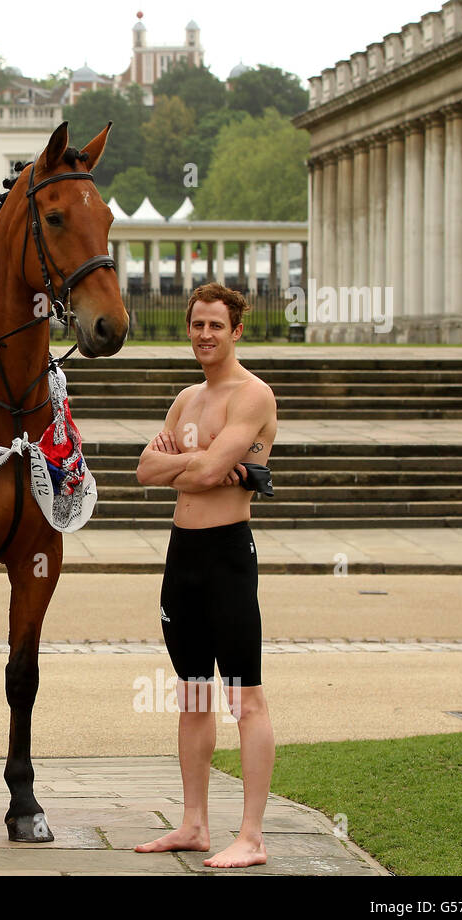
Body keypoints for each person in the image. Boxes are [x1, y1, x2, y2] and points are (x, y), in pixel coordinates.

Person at [132, 283, 278, 869]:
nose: (205, 335)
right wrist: (202, 466)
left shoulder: (253, 395)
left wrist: (202, 465)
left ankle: (252, 836)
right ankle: (193, 824)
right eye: (197, 325)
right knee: (192, 697)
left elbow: (217, 468)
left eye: (216, 325)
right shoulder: (185, 400)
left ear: (236, 330)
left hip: (226, 559)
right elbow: (144, 470)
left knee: (246, 699)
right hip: (181, 559)